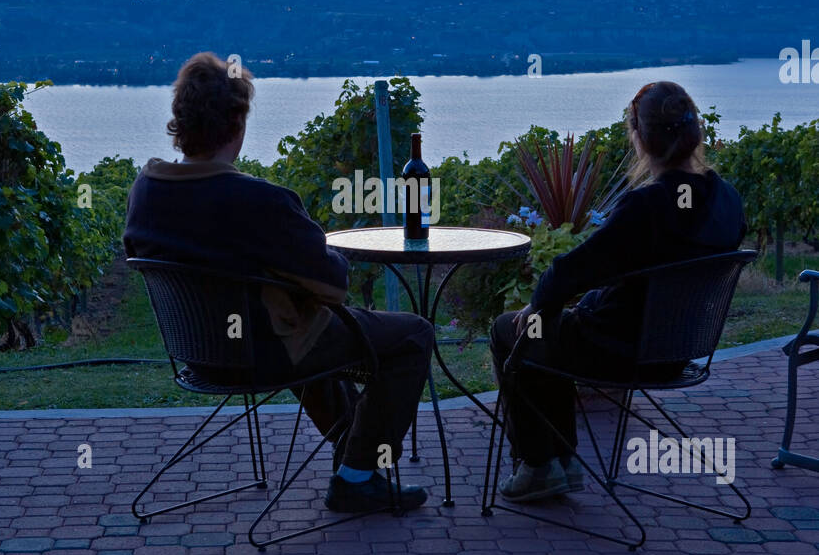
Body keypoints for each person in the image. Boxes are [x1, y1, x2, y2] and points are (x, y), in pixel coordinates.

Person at [123, 52, 433, 513]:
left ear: (180, 121)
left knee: (308, 331)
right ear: (238, 123)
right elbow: (334, 287)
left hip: (202, 355)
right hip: (267, 354)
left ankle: (353, 450)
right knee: (411, 335)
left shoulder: (145, 190)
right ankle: (357, 474)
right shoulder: (257, 200)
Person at [489, 81, 746, 503]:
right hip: (675, 352)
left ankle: (540, 464)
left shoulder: (647, 206)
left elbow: (570, 271)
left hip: (618, 348)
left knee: (513, 330)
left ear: (639, 137)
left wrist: (538, 304)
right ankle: (561, 462)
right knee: (548, 329)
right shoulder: (728, 201)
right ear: (694, 132)